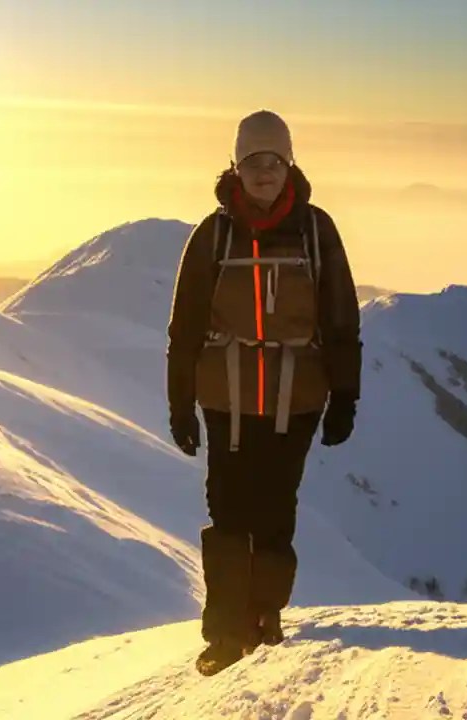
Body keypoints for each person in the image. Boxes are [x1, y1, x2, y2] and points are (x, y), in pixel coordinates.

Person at [165, 110, 362, 676]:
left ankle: (264, 614)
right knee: (228, 508)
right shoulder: (213, 236)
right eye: (253, 160)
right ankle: (226, 634)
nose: (264, 171)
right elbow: (185, 326)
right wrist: (181, 404)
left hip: (296, 399)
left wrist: (344, 397)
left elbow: (341, 319)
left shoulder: (316, 232)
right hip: (224, 397)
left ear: (289, 163)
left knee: (275, 506)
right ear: (237, 166)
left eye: (274, 159)